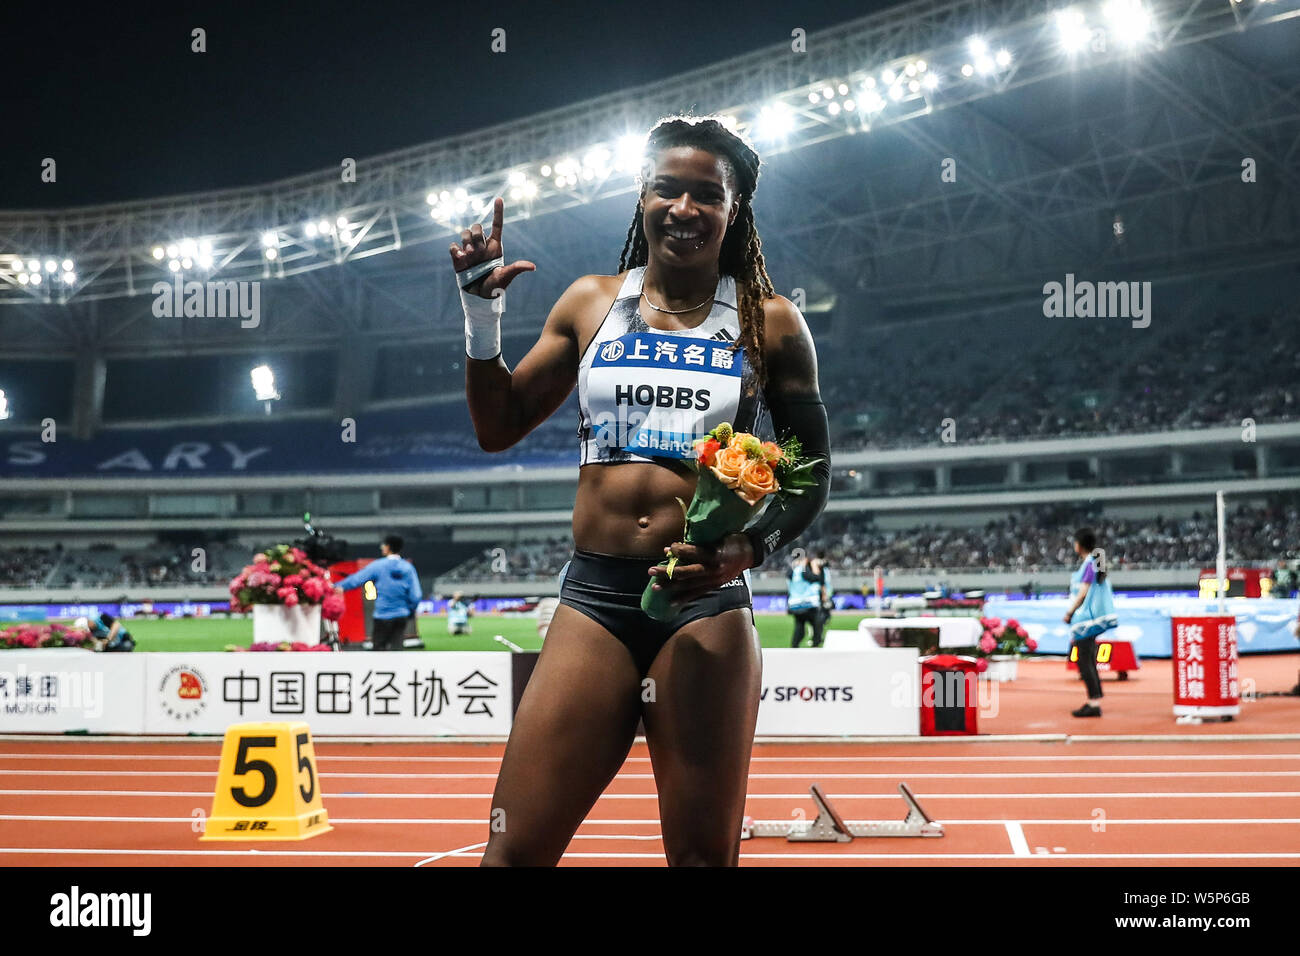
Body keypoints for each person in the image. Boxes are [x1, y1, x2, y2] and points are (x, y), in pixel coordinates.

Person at [455, 114, 832, 866]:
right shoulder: (591, 303)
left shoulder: (771, 323)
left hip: (704, 608)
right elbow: (499, 427)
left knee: (699, 862)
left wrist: (745, 548)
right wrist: (479, 312)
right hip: (594, 600)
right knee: (511, 853)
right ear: (642, 196)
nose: (684, 209)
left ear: (734, 210)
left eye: (706, 194)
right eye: (667, 189)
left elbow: (809, 472)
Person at [1062, 528, 1117, 718]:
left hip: (1085, 620)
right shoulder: (1094, 562)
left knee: (1085, 663)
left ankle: (1094, 703)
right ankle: (1095, 699)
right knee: (1089, 661)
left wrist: (1069, 612)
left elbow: (1083, 592)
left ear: (1079, 545)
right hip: (1091, 620)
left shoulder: (1089, 564)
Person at [334, 535, 422, 651]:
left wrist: (337, 586)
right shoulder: (408, 568)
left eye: (383, 545)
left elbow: (357, 579)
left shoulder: (379, 566)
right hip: (401, 615)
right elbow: (416, 595)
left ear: (388, 547)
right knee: (397, 650)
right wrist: (409, 610)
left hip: (383, 615)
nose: (382, 548)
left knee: (378, 652)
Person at [786, 554, 821, 648]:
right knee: (817, 624)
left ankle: (794, 646)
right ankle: (815, 645)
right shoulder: (804, 570)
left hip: (795, 604)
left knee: (799, 626)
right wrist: (814, 566)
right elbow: (817, 578)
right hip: (807, 603)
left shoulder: (792, 571)